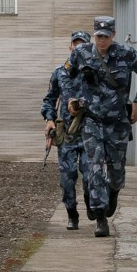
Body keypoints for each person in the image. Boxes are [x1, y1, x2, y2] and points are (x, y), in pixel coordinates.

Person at [62, 16, 137, 237]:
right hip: (91, 121)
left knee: (115, 171)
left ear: (113, 35)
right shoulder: (81, 53)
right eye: (98, 36)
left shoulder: (126, 54)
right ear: (94, 36)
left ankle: (113, 192)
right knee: (94, 167)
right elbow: (66, 75)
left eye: (105, 37)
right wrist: (71, 99)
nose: (101, 41)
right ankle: (100, 217)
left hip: (118, 123)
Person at [41, 30, 93, 230]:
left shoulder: (94, 72)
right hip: (68, 134)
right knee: (67, 178)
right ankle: (72, 213)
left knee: (90, 175)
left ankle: (92, 202)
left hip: (89, 131)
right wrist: (49, 120)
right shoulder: (60, 72)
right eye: (75, 44)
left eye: (82, 45)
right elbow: (49, 99)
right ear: (70, 47)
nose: (78, 48)